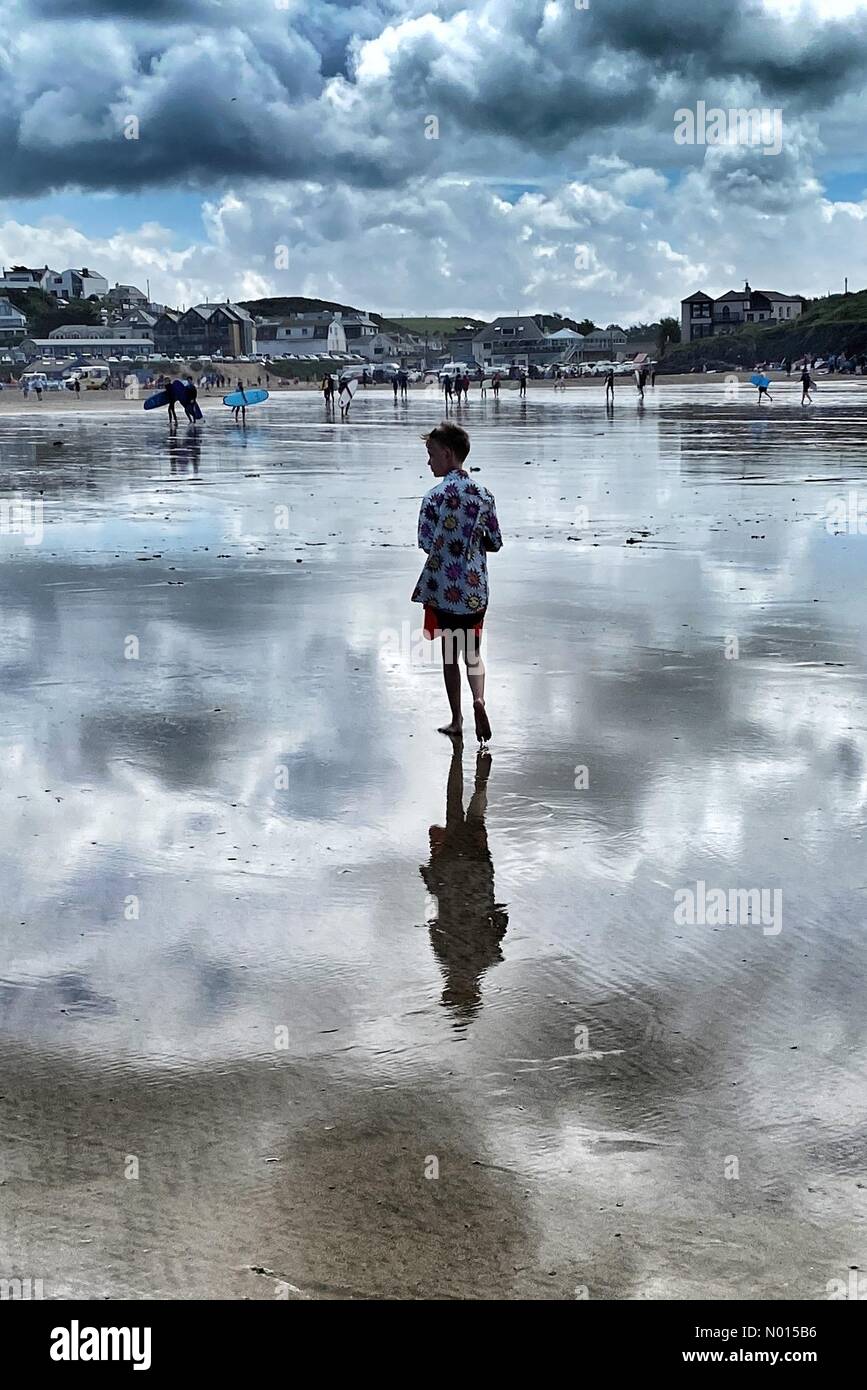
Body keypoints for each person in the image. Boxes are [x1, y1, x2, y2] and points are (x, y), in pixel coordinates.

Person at [413, 421, 503, 742]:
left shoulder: (434, 497)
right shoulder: (484, 495)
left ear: (448, 455)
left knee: (450, 656)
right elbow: (494, 540)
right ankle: (479, 699)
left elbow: (425, 542)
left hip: (444, 591)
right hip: (476, 590)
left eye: (431, 455)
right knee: (473, 653)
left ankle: (456, 719)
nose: (429, 462)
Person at [420, 744, 508, 1019]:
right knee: (453, 811)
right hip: (452, 872)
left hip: (478, 875)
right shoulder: (447, 955)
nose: (448, 986)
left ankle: (479, 780)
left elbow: (501, 919)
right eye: (452, 992)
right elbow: (434, 923)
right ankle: (459, 760)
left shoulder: (488, 956)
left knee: (476, 819)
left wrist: (486, 905)